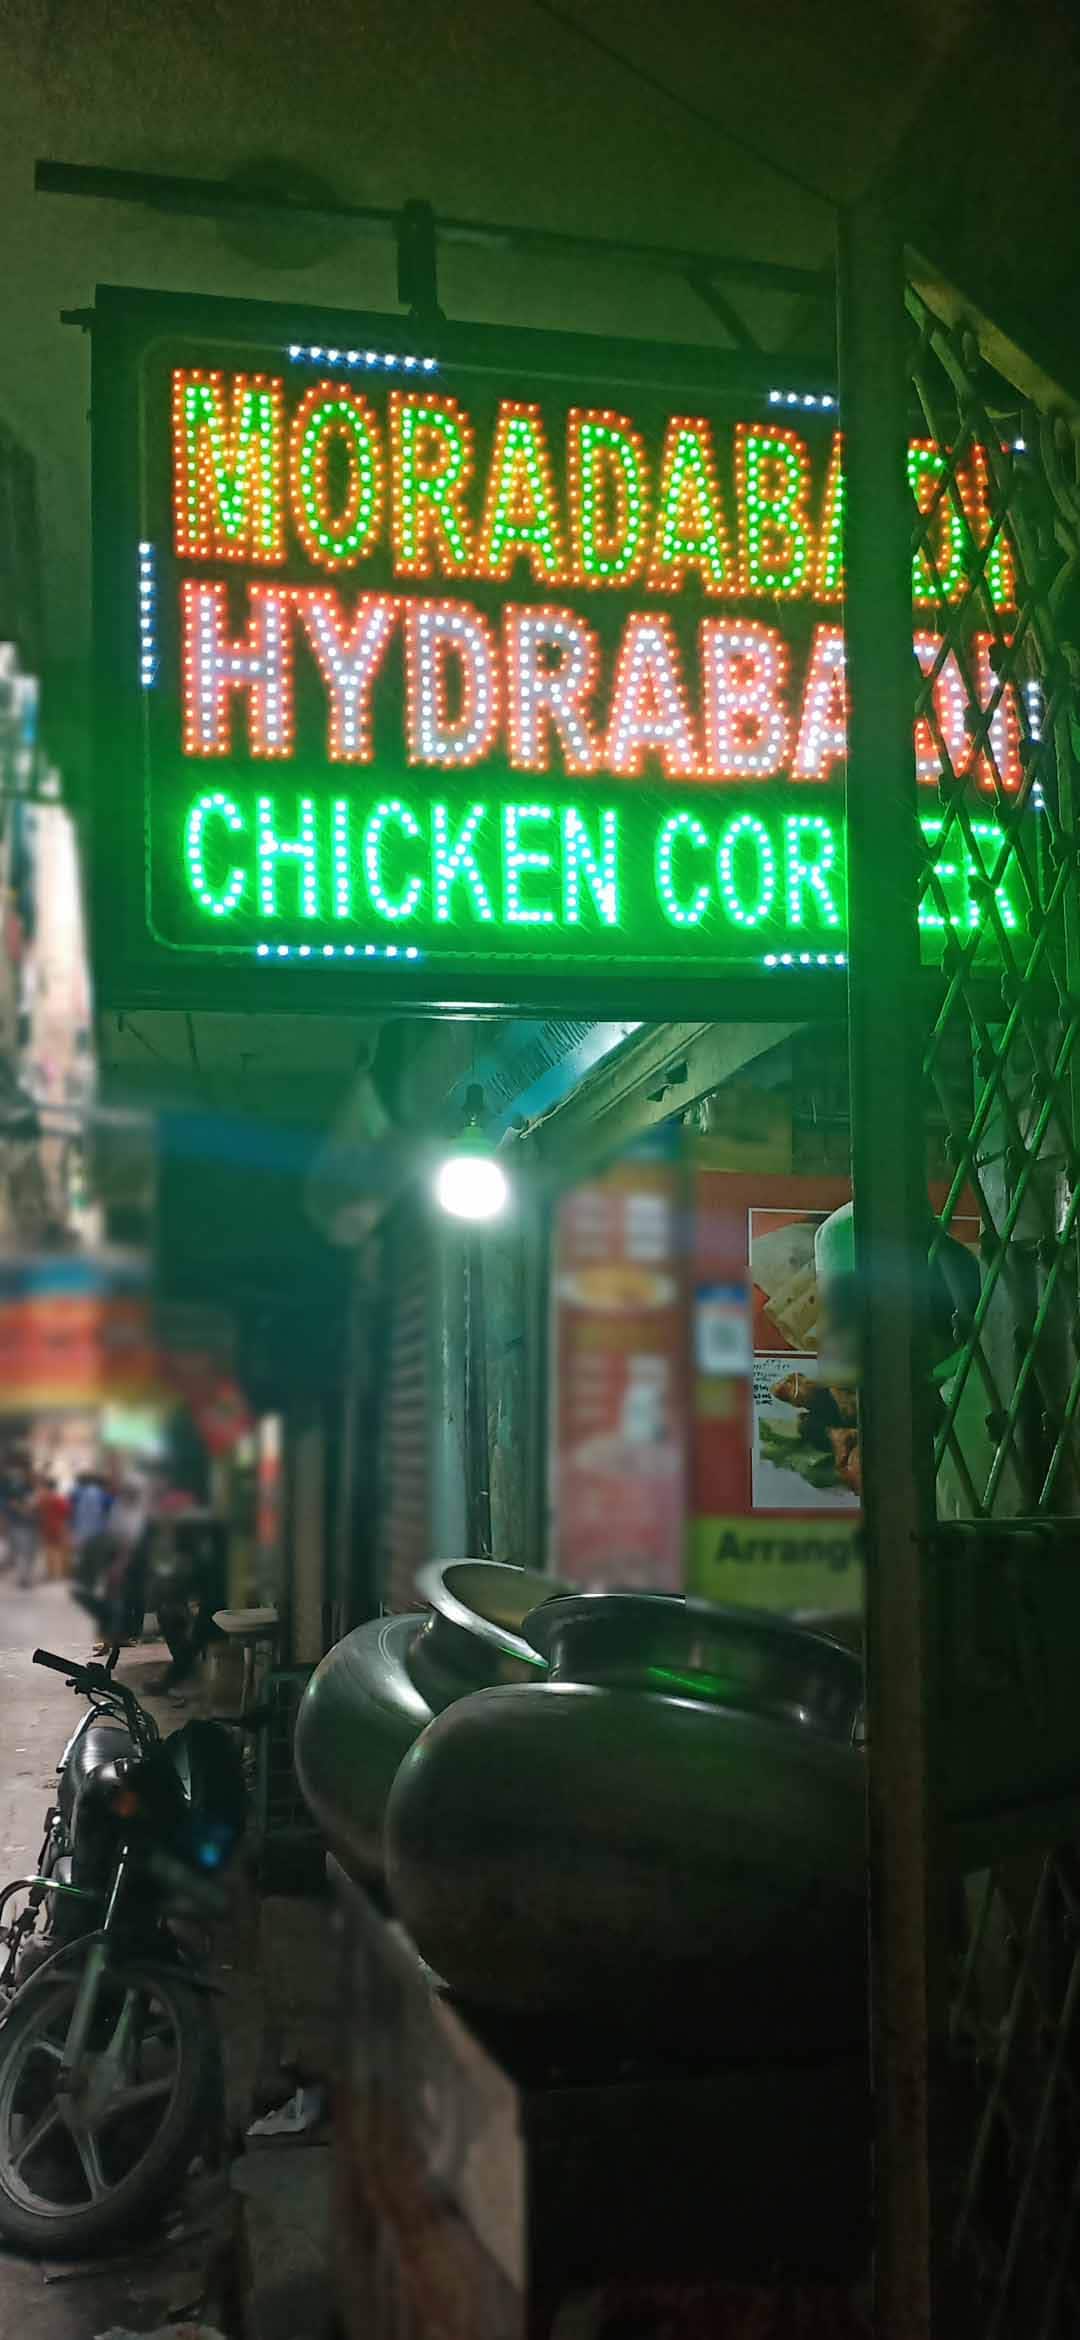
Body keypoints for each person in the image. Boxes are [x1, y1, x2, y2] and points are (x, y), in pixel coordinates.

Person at [36, 1477, 71, 1581]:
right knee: (63, 1550)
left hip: (47, 1526)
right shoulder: (60, 1498)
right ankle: (64, 1573)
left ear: (47, 1487)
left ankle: (52, 1573)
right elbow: (67, 1512)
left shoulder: (42, 1499)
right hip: (60, 1526)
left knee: (50, 1550)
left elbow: (38, 1512)